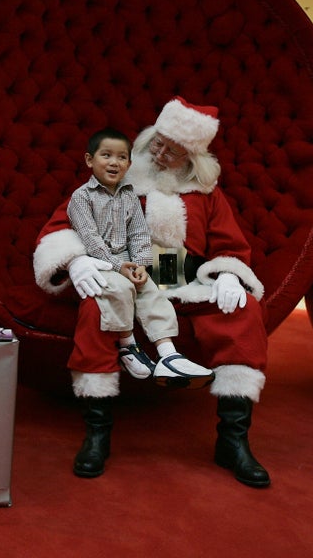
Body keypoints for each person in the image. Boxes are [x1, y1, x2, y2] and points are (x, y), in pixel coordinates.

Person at [33, 96, 271, 487]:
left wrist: (229, 275)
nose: (159, 154)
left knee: (243, 310)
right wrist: (75, 261)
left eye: (172, 152)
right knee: (96, 310)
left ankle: (233, 441)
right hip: (126, 279)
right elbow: (62, 226)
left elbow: (230, 247)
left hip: (187, 285)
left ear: (192, 158)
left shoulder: (207, 193)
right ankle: (97, 435)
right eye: (157, 143)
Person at [66, 127, 214, 387]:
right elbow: (90, 239)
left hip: (147, 261)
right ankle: (128, 347)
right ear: (89, 160)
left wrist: (142, 264)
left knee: (152, 292)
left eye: (122, 157)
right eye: (106, 155)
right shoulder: (82, 197)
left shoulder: (130, 194)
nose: (114, 162)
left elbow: (139, 233)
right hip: (101, 263)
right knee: (123, 288)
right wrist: (118, 266)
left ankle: (169, 355)